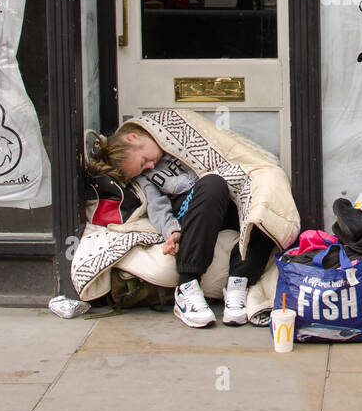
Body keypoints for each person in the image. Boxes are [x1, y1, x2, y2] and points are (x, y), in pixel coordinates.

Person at [85, 120, 276, 328]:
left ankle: (239, 282)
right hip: (192, 210)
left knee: (263, 197)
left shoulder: (176, 136)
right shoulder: (145, 178)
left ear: (134, 138)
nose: (148, 167)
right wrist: (171, 231)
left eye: (143, 162)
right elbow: (157, 207)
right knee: (213, 184)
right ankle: (187, 285)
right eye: (143, 168)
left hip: (225, 204)